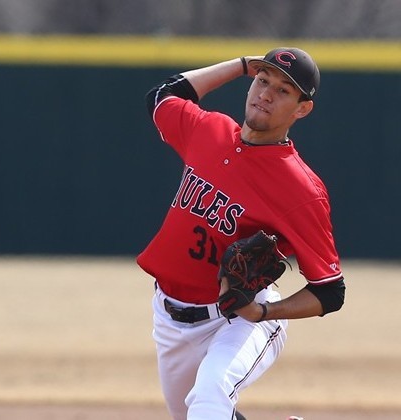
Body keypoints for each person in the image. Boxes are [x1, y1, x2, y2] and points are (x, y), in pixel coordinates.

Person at [138, 47, 346, 420]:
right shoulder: (210, 130)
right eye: (262, 80)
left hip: (234, 320)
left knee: (209, 401)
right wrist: (239, 65)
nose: (266, 93)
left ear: (302, 109)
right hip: (169, 318)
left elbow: (330, 291)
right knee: (199, 415)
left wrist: (264, 311)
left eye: (284, 90)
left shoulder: (301, 189)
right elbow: (163, 95)